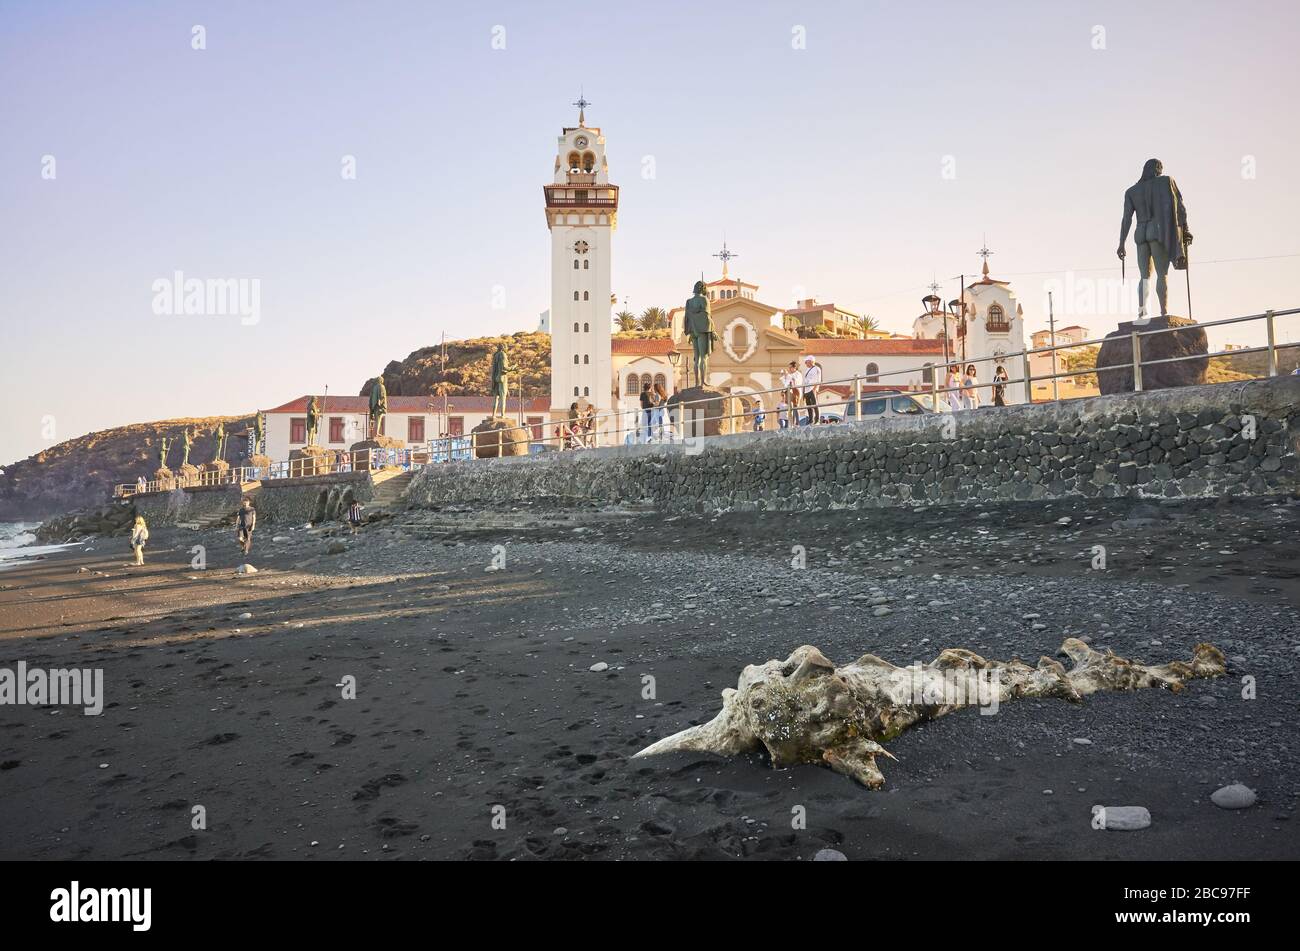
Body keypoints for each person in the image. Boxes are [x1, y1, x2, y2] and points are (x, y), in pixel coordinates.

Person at [801, 355, 822, 425]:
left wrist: (815, 388)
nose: (805, 363)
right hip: (807, 390)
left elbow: (818, 380)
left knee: (815, 405)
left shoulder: (817, 369)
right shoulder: (807, 370)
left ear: (810, 361)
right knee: (809, 406)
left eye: (806, 362)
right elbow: (804, 381)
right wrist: (803, 391)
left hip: (812, 389)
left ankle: (817, 419)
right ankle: (810, 420)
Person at [781, 361, 803, 426]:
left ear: (794, 367)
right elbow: (786, 383)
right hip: (790, 391)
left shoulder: (798, 374)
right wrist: (784, 376)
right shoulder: (791, 375)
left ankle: (797, 423)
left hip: (796, 391)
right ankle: (792, 423)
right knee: (791, 408)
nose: (789, 369)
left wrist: (788, 375)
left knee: (795, 407)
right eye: (789, 368)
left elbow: (795, 381)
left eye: (790, 367)